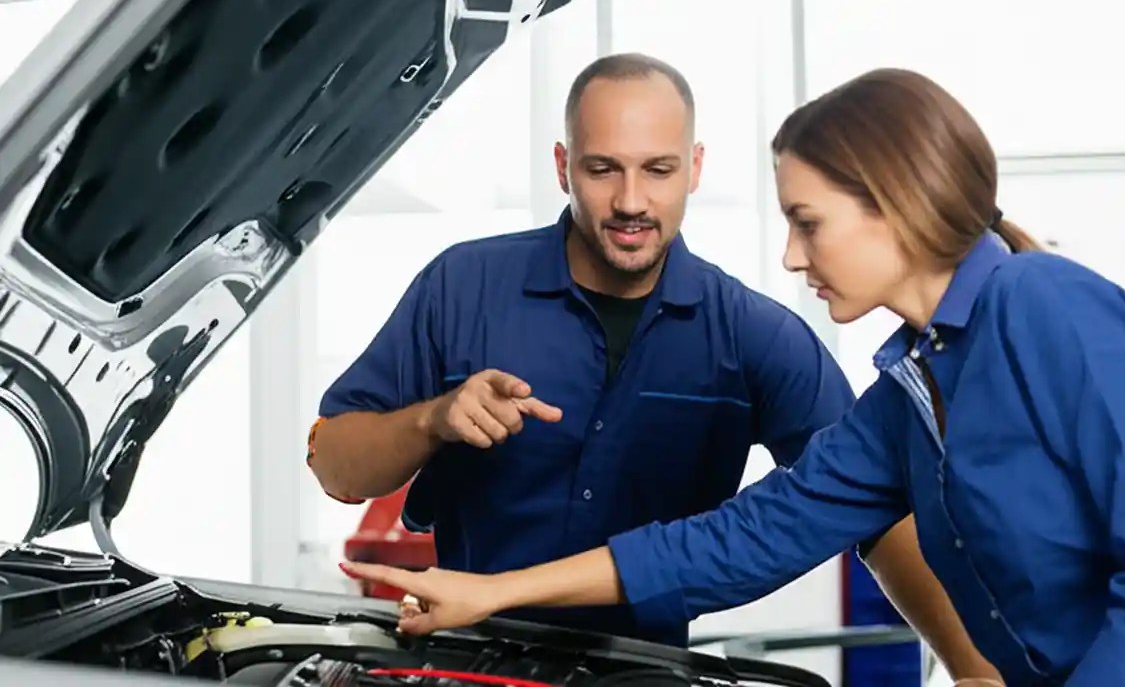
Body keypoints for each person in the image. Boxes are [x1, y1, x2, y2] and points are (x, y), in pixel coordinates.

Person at [340, 66, 1125, 686]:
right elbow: (738, 539)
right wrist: (493, 592)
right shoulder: (911, 393)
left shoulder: (1050, 308)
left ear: (894, 206)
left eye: (808, 220)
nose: (790, 256)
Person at [310, 54, 998, 681]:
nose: (632, 201)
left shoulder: (757, 337)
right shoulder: (461, 287)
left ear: (694, 167)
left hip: (647, 674)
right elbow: (336, 466)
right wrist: (434, 418)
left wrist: (975, 669)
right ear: (562, 165)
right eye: (603, 168)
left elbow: (872, 508)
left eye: (658, 170)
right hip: (469, 663)